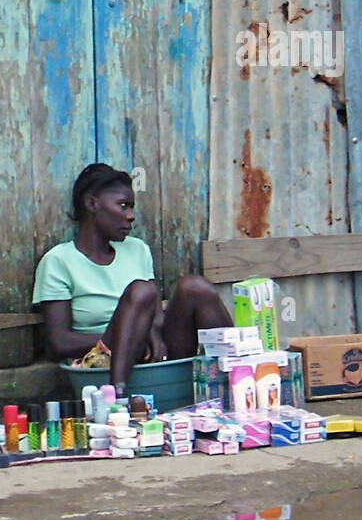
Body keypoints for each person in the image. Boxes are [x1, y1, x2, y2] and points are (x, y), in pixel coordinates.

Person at [33, 162, 233, 391]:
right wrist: (129, 335)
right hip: (101, 362)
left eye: (131, 207)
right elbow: (58, 343)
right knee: (142, 290)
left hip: (151, 351)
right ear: (92, 204)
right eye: (123, 206)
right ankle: (116, 397)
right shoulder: (58, 261)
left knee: (195, 286)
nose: (130, 216)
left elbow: (156, 315)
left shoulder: (137, 250)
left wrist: (148, 330)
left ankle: (239, 378)